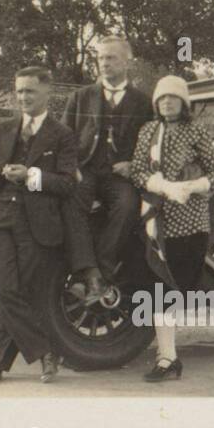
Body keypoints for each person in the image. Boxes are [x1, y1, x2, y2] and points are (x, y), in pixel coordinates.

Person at [0, 66, 77, 384]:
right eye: (19, 91)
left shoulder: (61, 135)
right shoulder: (2, 130)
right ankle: (46, 351)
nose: (23, 97)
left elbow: (67, 183)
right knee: (5, 290)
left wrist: (31, 176)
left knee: (22, 291)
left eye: (30, 91)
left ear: (47, 92)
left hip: (37, 223)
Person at [130, 75, 214, 382]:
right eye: (162, 98)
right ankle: (167, 357)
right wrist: (163, 186)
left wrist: (192, 186)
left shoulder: (195, 130)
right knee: (160, 286)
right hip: (158, 220)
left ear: (184, 103)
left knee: (178, 286)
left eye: (173, 98)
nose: (167, 102)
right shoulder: (148, 131)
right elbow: (138, 170)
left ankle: (170, 356)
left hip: (191, 221)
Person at [61, 35, 153, 302]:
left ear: (127, 62)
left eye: (111, 58)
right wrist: (71, 169)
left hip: (120, 174)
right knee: (70, 200)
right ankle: (88, 272)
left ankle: (101, 271)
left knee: (127, 205)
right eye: (100, 58)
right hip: (85, 170)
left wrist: (135, 164)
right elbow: (64, 139)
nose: (104, 63)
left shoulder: (143, 102)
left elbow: (152, 144)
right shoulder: (80, 97)